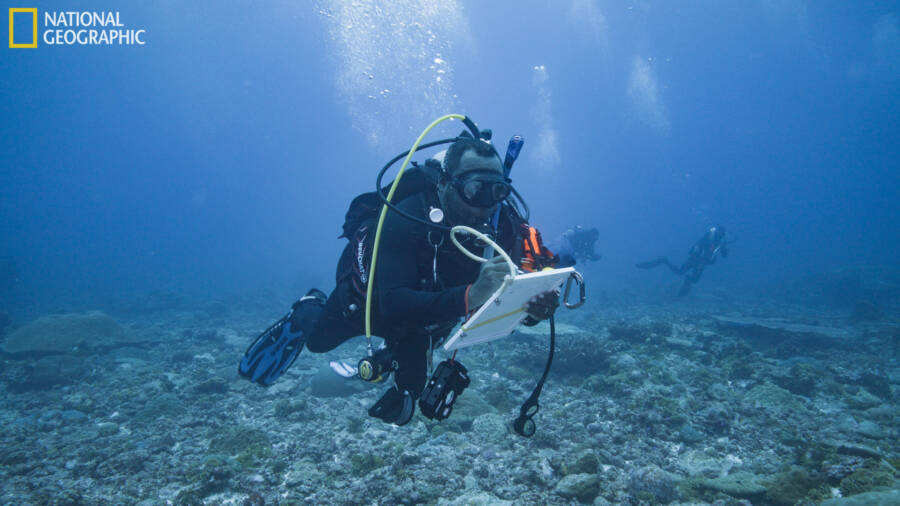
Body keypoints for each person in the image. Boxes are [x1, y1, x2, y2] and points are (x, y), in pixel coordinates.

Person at [239, 136, 560, 425]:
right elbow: (392, 303)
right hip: (367, 304)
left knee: (410, 397)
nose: (486, 203)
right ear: (446, 184)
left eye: (497, 190)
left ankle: (392, 359)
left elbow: (509, 298)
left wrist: (533, 311)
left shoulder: (501, 223)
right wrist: (473, 295)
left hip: (428, 319)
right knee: (318, 343)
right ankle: (308, 308)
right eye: (476, 189)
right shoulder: (404, 217)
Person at [636, 225, 729, 296]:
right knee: (684, 274)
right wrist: (700, 259)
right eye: (721, 234)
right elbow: (701, 249)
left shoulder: (718, 243)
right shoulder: (709, 239)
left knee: (688, 276)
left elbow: (723, 256)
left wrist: (723, 248)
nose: (721, 236)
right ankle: (665, 261)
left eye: (722, 235)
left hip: (700, 262)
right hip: (696, 260)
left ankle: (668, 264)